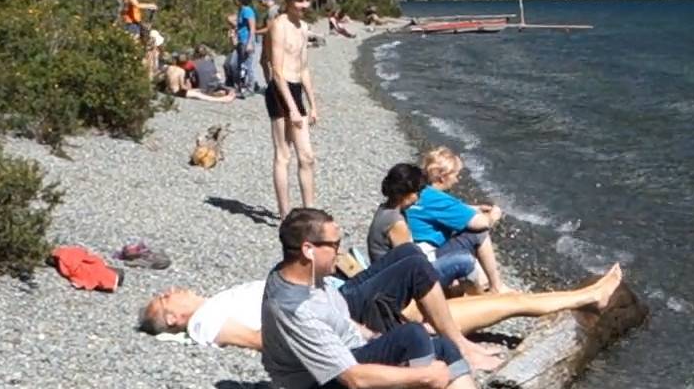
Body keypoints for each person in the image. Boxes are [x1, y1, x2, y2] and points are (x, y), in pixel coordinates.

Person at [255, 209, 550, 389]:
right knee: (412, 339)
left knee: (440, 346)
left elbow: (341, 320)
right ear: (308, 249)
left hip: (341, 367)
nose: (340, 252)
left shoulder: (298, 274)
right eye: (334, 245)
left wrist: (377, 339)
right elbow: (354, 379)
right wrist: (422, 377)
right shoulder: (294, 308)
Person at [138, 254, 624, 355]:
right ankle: (586, 295)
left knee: (500, 302)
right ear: (175, 318)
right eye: (164, 300)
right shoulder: (204, 321)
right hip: (344, 311)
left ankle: (585, 295)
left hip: (337, 302)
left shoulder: (212, 303)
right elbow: (260, 340)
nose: (171, 290)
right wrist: (343, 338)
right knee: (413, 262)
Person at [407, 147, 506, 294]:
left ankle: (477, 281)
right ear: (443, 177)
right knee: (478, 233)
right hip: (427, 261)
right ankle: (497, 287)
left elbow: (449, 210)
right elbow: (482, 223)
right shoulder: (439, 200)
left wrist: (474, 208)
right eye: (455, 175)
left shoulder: (421, 192)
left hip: (413, 256)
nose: (457, 180)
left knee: (460, 228)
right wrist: (494, 215)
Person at [370, 162, 480, 291]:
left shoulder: (386, 209)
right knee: (465, 261)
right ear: (408, 194)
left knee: (455, 259)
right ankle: (482, 302)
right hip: (401, 284)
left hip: (393, 275)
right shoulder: (396, 223)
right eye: (417, 193)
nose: (418, 199)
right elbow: (411, 264)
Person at [264, 0, 318, 217]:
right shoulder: (278, 26)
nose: (304, 6)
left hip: (296, 88)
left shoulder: (304, 27)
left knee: (307, 157)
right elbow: (276, 69)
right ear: (288, 1)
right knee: (283, 154)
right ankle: (285, 214)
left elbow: (303, 67)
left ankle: (309, 210)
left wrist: (312, 104)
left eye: (307, 1)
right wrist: (293, 109)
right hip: (279, 89)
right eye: (300, 1)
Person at [162, 45, 236, 102]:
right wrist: (193, 90)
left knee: (199, 92)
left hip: (169, 91)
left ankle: (218, 95)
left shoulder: (169, 68)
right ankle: (222, 99)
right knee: (200, 95)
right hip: (178, 92)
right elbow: (182, 87)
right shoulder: (181, 71)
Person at [230, 0, 257, 95]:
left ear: (240, 0)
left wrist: (250, 43)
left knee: (247, 65)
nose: (234, 0)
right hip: (241, 40)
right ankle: (241, 86)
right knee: (238, 64)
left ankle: (250, 88)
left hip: (247, 40)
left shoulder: (247, 10)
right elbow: (240, 26)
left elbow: (252, 27)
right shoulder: (240, 10)